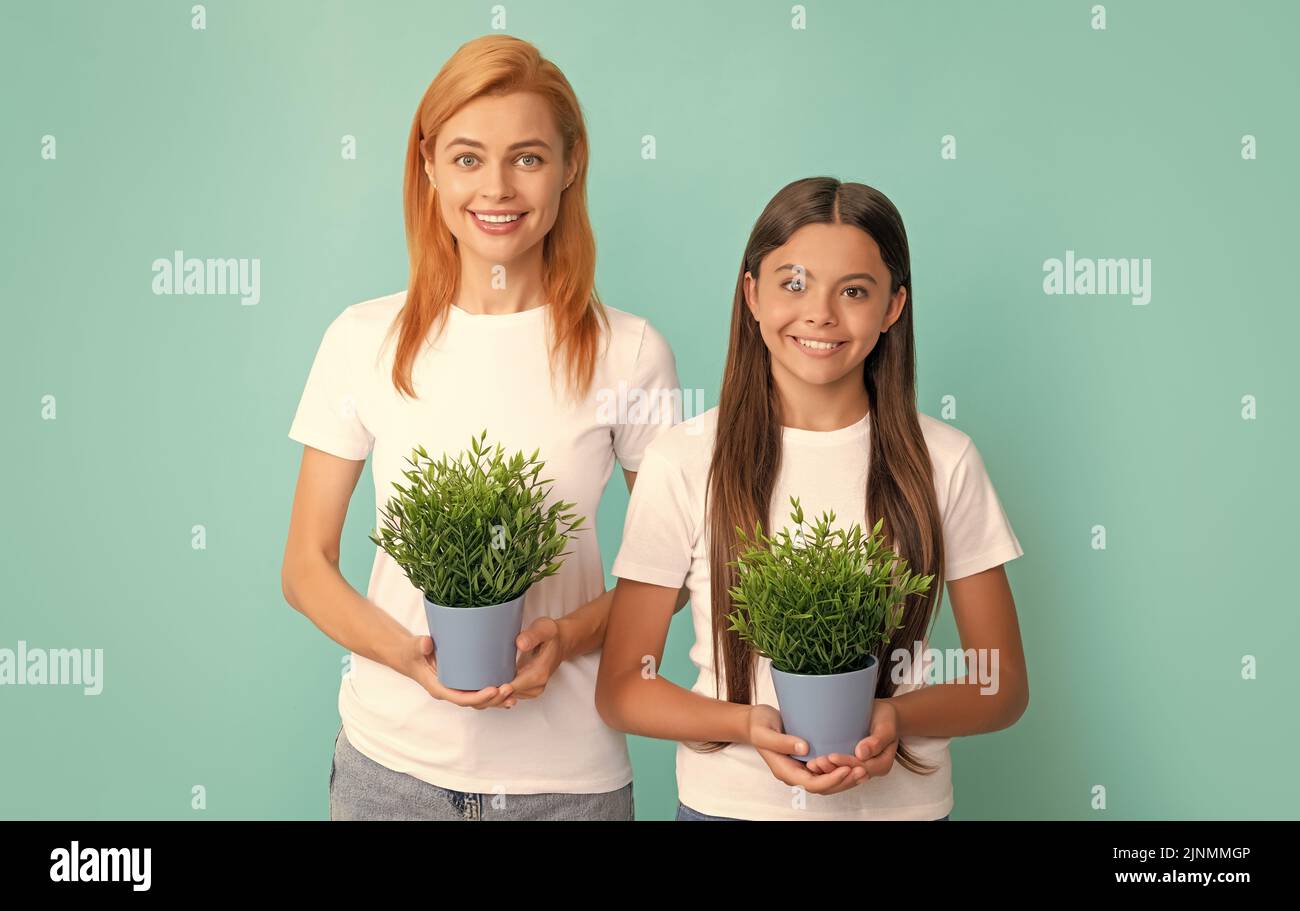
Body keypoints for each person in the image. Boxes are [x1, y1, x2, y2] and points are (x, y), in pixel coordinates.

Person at [282, 34, 682, 821]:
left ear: (571, 166)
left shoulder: (630, 353)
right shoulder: (364, 341)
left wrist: (565, 636)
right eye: (468, 157)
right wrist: (411, 656)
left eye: (527, 158)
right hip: (389, 774)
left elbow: (663, 579)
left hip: (568, 784)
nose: (496, 187)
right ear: (428, 166)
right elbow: (305, 566)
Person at [595, 176, 1027, 820]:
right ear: (752, 295)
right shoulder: (685, 460)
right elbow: (624, 687)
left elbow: (1002, 685)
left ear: (892, 308)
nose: (821, 312)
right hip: (731, 808)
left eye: (854, 291)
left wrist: (894, 717)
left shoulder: (945, 461)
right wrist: (747, 725)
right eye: (793, 283)